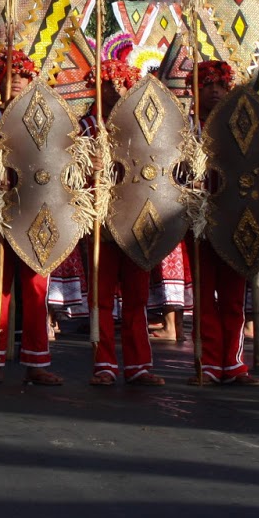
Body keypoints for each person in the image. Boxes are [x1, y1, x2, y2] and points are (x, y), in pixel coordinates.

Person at [0, 49, 63, 386]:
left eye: (22, 75)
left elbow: (59, 163)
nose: (16, 81)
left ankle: (37, 362)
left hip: (37, 215)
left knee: (36, 289)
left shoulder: (46, 118)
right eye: (9, 75)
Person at [184, 59, 259, 387]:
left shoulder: (244, 126)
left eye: (220, 85)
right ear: (195, 90)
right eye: (207, 85)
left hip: (236, 219)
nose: (214, 92)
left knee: (233, 295)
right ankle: (208, 364)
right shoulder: (184, 129)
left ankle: (234, 365)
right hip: (198, 220)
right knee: (203, 294)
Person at [88, 60, 164, 387]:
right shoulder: (84, 127)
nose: (114, 91)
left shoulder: (145, 126)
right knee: (101, 299)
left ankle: (139, 366)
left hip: (137, 222)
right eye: (108, 84)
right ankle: (104, 364)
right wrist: (88, 165)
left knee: (137, 299)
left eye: (120, 85)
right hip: (100, 227)